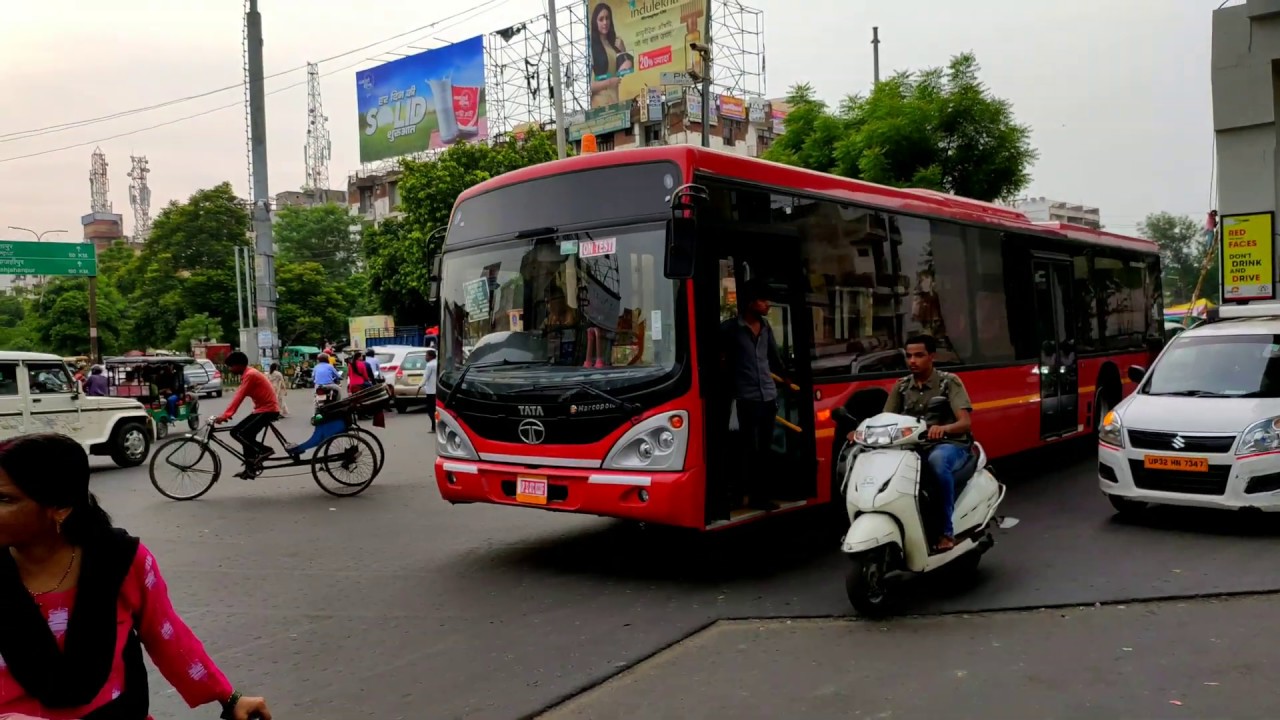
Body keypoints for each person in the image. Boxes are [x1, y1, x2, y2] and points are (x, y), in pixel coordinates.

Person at [0, 433, 271, 719]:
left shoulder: (118, 560)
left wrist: (228, 697)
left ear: (60, 508)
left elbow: (165, 633)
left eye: (5, 499)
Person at [853, 334, 973, 552]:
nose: (912, 361)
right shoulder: (901, 387)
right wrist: (860, 432)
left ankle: (946, 531)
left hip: (948, 445)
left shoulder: (949, 382)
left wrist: (942, 429)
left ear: (932, 357)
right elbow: (885, 419)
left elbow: (965, 423)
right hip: (911, 447)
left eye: (919, 355)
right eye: (909, 356)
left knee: (937, 462)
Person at [719, 279, 786, 512]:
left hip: (767, 397)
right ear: (750, 303)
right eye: (763, 300)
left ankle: (760, 496)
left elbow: (774, 358)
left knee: (764, 451)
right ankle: (737, 495)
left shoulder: (766, 327)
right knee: (743, 450)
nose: (768, 304)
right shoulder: (729, 329)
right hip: (743, 400)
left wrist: (787, 379)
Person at [215, 352, 281, 479]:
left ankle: (265, 450)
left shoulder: (250, 375)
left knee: (237, 433)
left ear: (239, 365)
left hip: (268, 410)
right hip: (262, 410)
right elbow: (239, 394)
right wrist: (227, 414)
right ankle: (250, 469)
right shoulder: (248, 374)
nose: (230, 369)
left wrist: (226, 415)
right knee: (246, 435)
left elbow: (239, 396)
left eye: (231, 366)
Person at [588, 3, 627, 106]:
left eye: (607, 18)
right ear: (595, 22)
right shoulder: (591, 48)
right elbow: (588, 87)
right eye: (601, 19)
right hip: (600, 105)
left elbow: (623, 72)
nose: (605, 22)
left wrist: (623, 51)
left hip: (614, 101)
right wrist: (609, 82)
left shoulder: (614, 44)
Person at [420, 348, 438, 433]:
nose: (425, 357)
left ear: (430, 356)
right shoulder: (438, 363)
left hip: (431, 391)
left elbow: (425, 377)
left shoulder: (429, 365)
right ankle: (437, 426)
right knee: (437, 410)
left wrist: (420, 385)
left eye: (426, 356)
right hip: (437, 390)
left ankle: (434, 427)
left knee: (430, 410)